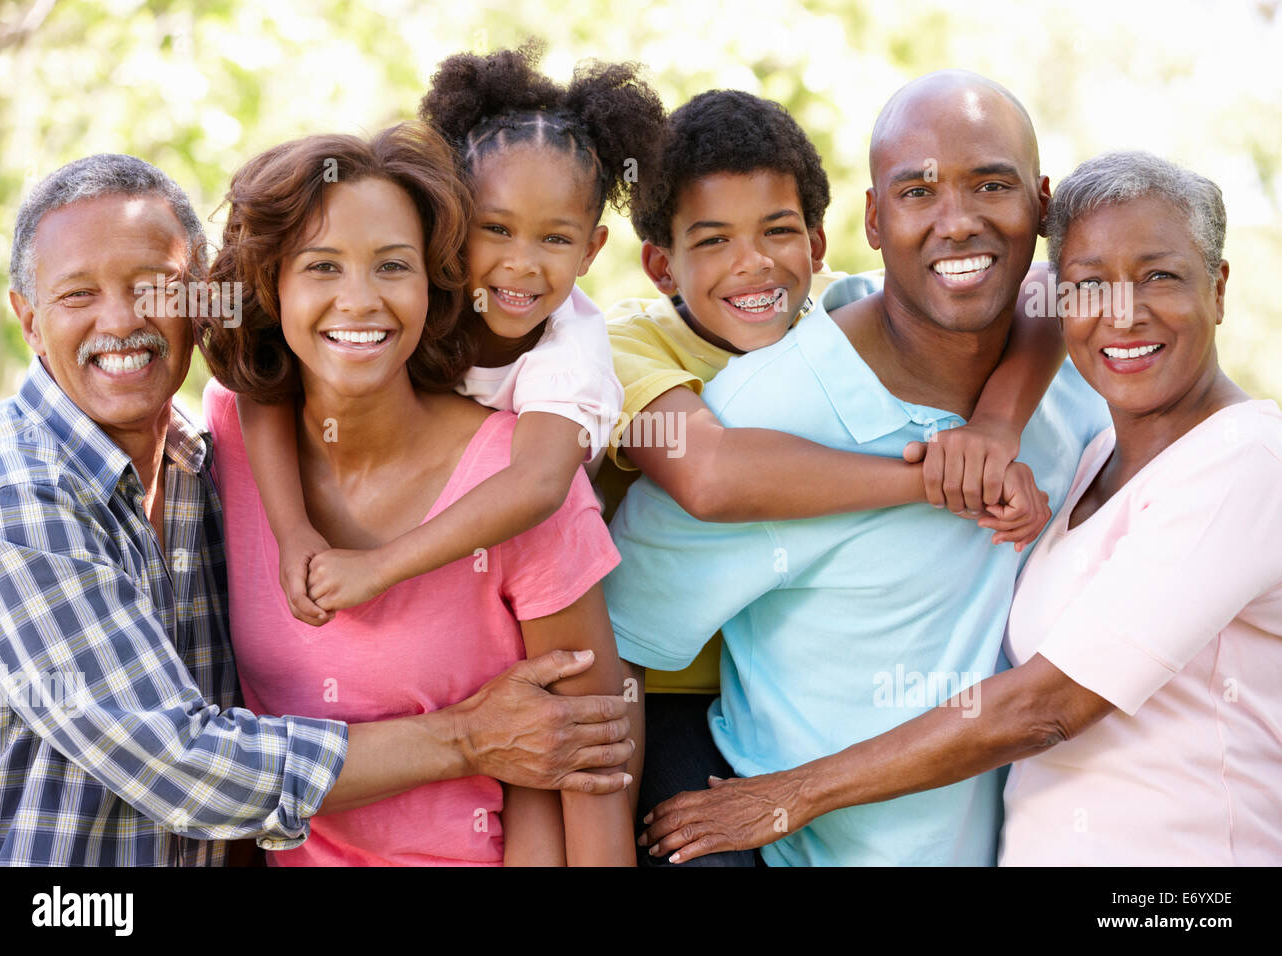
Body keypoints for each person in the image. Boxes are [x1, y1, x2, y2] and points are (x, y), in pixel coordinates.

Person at [0, 152, 634, 867]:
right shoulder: (14, 498)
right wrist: (468, 738)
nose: (122, 319)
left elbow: (587, 750)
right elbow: (181, 764)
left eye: (156, 288)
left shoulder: (205, 461)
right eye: (77, 295)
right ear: (29, 321)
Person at [639, 150, 1282, 867]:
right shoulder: (1095, 453)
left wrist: (793, 795)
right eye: (1090, 285)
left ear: (1219, 289)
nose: (1121, 313)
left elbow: (1043, 708)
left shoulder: (1246, 459)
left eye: (1161, 276)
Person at [604, 70, 1113, 865]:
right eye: (918, 191)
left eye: (992, 184)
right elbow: (698, 497)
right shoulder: (731, 401)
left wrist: (993, 427)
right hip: (752, 786)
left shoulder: (1085, 363)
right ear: (876, 219)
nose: (959, 221)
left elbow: (1043, 289)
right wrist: (935, 479)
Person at [199, 122, 636, 865]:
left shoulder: (526, 479)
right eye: (323, 267)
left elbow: (592, 754)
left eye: (392, 267)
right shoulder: (231, 438)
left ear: (436, 286)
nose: (360, 300)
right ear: (272, 285)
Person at [235, 45, 663, 625]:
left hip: (544, 569)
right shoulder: (419, 294)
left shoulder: (570, 352)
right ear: (453, 222)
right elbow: (266, 385)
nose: (521, 264)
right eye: (496, 229)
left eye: (555, 240)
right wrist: (292, 531)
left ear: (591, 250)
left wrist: (379, 566)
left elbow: (537, 485)